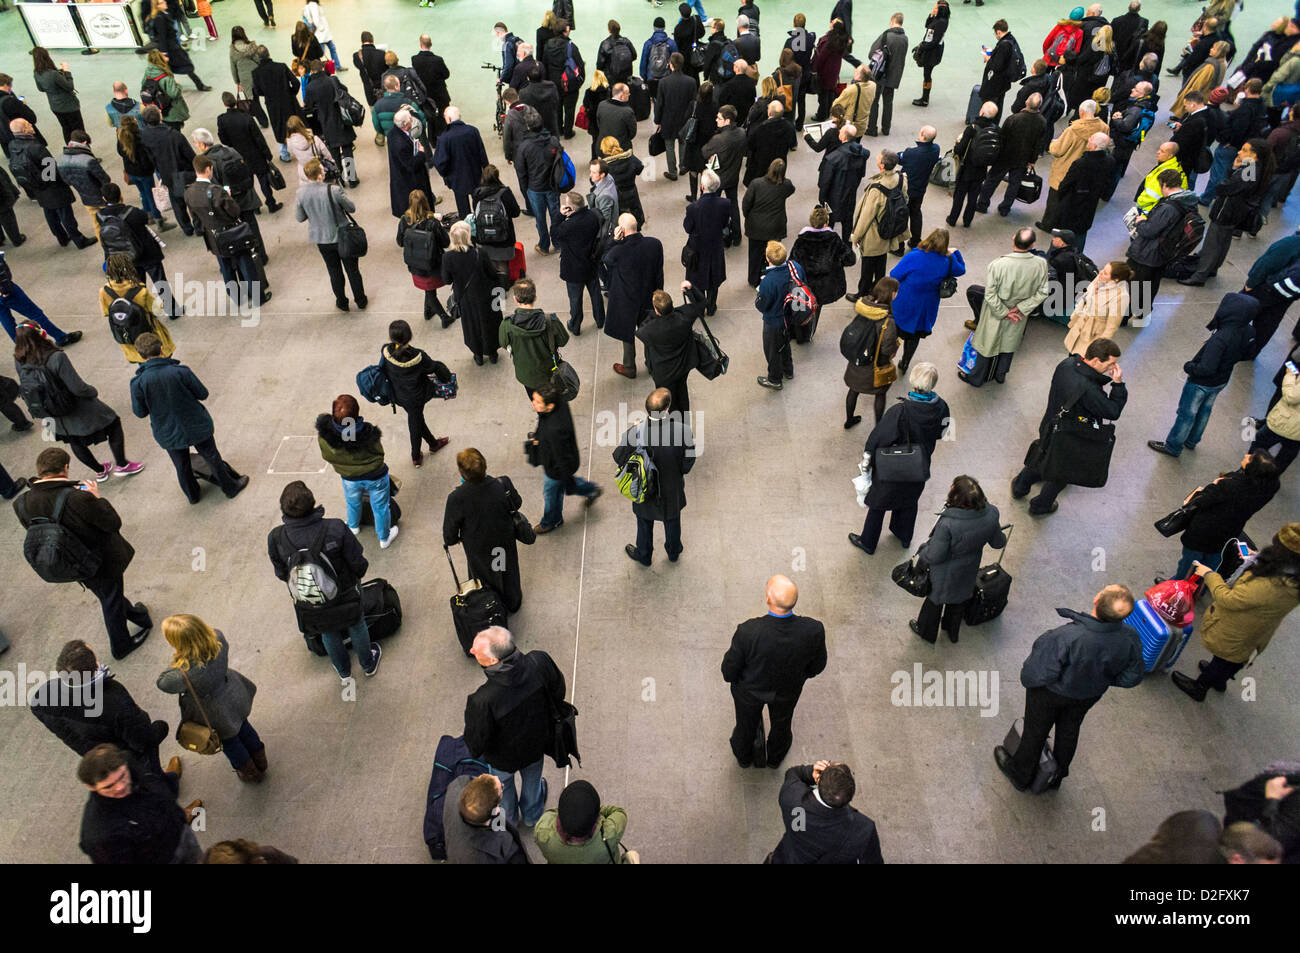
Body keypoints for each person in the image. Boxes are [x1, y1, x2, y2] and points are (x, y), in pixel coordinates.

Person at [995, 585, 1143, 791]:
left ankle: (1020, 774)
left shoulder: (1067, 636)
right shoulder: (1130, 637)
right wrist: (1101, 679)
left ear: (1096, 600)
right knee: (1069, 731)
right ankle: (1055, 778)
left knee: (1035, 731)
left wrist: (1031, 682)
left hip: (1051, 694)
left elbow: (1039, 671)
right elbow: (1132, 676)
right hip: (1088, 695)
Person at [13, 448, 151, 660]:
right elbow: (112, 523)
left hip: (68, 562)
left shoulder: (21, 503)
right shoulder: (78, 498)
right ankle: (121, 645)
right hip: (99, 560)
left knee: (108, 594)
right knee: (110, 599)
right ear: (65, 468)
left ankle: (139, 616)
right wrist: (96, 498)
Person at [267, 480, 381, 682]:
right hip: (346, 595)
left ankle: (344, 672)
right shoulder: (335, 528)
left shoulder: (276, 537)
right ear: (312, 504)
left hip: (310, 601)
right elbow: (359, 565)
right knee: (356, 624)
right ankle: (368, 664)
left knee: (328, 631)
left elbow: (281, 573)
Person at [1170, 526, 1300, 701]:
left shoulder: (1272, 585)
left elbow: (1229, 599)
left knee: (1226, 657)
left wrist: (1209, 575)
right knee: (1234, 658)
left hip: (1241, 627)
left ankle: (1200, 686)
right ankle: (1219, 680)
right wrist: (1256, 558)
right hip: (1257, 629)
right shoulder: (1292, 578)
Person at [720, 573, 826, 769]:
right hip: (787, 691)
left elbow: (730, 669)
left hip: (750, 691)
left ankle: (744, 756)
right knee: (782, 722)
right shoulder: (814, 630)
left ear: (768, 598)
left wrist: (734, 680)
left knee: (745, 723)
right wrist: (801, 676)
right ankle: (775, 756)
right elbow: (818, 665)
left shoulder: (748, 632)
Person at [464, 625, 567, 828]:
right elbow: (559, 692)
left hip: (502, 760)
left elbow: (475, 744)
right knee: (532, 780)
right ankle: (532, 816)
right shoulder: (540, 661)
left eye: (476, 649)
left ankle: (508, 820)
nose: (471, 651)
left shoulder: (482, 700)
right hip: (536, 745)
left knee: (502, 788)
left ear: (494, 661)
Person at [1013, 338, 1126, 516]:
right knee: (1062, 472)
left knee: (1042, 452)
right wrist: (1118, 384)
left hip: (1050, 423)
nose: (1113, 368)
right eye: (1111, 363)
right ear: (1096, 361)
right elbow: (1113, 411)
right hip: (1070, 436)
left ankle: (1020, 486)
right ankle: (1041, 505)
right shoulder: (1089, 389)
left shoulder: (1067, 364)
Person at [129, 333, 248, 503]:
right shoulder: (180, 372)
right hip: (196, 424)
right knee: (211, 456)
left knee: (181, 464)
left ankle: (192, 495)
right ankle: (230, 487)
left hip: (167, 431)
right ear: (162, 349)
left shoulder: (138, 383)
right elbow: (202, 393)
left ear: (140, 355)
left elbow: (140, 412)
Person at [14, 327, 144, 482]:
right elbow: (78, 388)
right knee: (113, 423)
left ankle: (100, 471)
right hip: (75, 407)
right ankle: (122, 465)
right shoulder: (56, 357)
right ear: (40, 335)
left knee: (74, 441)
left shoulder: (19, 360)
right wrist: (92, 392)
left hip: (52, 413)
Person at [848, 362, 949, 554]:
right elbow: (942, 432)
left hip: (893, 466)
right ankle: (903, 535)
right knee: (909, 500)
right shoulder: (942, 406)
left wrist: (866, 463)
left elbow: (877, 439)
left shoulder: (900, 411)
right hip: (920, 464)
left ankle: (868, 542)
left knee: (878, 502)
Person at [31, 640, 168, 775]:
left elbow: (67, 734)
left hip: (102, 758)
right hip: (132, 756)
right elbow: (142, 741)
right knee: (152, 776)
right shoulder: (116, 699)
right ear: (94, 666)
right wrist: (155, 729)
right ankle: (167, 783)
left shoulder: (43, 695)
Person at [156, 615, 263, 784]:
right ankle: (260, 759)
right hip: (234, 693)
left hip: (214, 712)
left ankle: (250, 772)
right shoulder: (217, 638)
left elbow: (162, 683)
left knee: (230, 742)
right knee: (243, 726)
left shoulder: (180, 674)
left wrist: (178, 661)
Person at [1148, 294, 1256, 458]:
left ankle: (1173, 446)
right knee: (1204, 410)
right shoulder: (1249, 331)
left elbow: (1206, 368)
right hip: (1221, 380)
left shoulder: (1220, 338)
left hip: (1201, 383)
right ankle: (1192, 441)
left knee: (1187, 414)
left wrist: (1189, 367)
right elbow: (1246, 354)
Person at [910, 475, 1007, 644]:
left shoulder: (948, 524)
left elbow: (935, 555)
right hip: (969, 567)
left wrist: (923, 551)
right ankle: (951, 631)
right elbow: (998, 543)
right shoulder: (992, 514)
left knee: (935, 601)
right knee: (959, 599)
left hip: (944, 572)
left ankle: (926, 632)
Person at [77, 743, 201, 864]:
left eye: (122, 776)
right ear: (91, 786)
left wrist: (177, 816)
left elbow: (152, 781)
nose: (120, 787)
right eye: (109, 786)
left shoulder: (127, 761)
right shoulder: (100, 836)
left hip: (180, 832)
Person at [1165, 452, 1281, 581]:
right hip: (1229, 531)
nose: (1246, 455)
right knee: (1213, 561)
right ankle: (1202, 586)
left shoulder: (1229, 485)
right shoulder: (1270, 488)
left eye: (1250, 458)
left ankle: (1177, 588)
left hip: (1202, 530)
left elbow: (1202, 501)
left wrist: (1214, 484)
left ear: (1253, 468)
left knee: (1188, 563)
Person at [614, 387, 695, 565]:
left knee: (644, 523)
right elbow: (688, 464)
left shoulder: (636, 432)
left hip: (644, 488)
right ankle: (673, 552)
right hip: (671, 490)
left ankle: (644, 555)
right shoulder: (683, 431)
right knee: (672, 522)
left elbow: (618, 457)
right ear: (667, 409)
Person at [964, 228, 1050, 387]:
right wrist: (1020, 308)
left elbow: (990, 295)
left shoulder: (998, 264)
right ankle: (1000, 375)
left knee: (987, 344)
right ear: (1033, 244)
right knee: (1009, 344)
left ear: (1013, 239)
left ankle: (976, 378)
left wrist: (1004, 312)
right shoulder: (1041, 264)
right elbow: (1043, 292)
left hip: (996, 312)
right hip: (1019, 314)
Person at [1182, 140, 1274, 287]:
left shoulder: (1250, 171)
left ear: (1254, 155)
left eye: (1244, 150)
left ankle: (1200, 275)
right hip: (1234, 212)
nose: (1239, 152)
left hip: (1226, 211)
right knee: (1222, 242)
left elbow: (1226, 187)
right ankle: (1212, 269)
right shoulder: (1255, 168)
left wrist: (1232, 170)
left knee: (1212, 243)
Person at [443, 448, 524, 614]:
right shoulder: (502, 484)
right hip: (503, 540)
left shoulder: (456, 498)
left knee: (485, 576)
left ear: (462, 472)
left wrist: (456, 538)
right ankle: (512, 601)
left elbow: (449, 535)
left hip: (479, 548)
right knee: (505, 570)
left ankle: (491, 604)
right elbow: (517, 503)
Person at [185, 155, 267, 310]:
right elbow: (235, 212)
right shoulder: (216, 191)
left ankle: (237, 298)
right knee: (245, 264)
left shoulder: (189, 192)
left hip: (213, 236)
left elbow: (195, 216)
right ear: (208, 169)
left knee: (226, 268)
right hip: (231, 233)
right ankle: (258, 298)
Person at [316, 394, 397, 549]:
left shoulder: (325, 435)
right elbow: (379, 454)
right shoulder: (369, 434)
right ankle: (384, 537)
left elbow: (326, 454)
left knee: (352, 502)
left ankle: (353, 526)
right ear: (356, 413)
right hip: (375, 477)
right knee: (380, 507)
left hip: (348, 478)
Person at [769, 761, 884, 864]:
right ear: (850, 795)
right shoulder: (863, 829)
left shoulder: (792, 800)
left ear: (818, 780)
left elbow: (792, 773)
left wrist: (811, 771)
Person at [6, 119, 96, 250]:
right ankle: (79, 240)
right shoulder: (36, 147)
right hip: (52, 188)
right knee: (66, 215)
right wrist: (65, 180)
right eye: (28, 124)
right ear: (24, 129)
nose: (31, 125)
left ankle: (62, 238)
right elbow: (51, 170)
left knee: (50, 213)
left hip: (35, 186)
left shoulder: (12, 145)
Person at [1125, 168, 1200, 320]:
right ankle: (1143, 310)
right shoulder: (1188, 201)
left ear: (1165, 185)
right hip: (1165, 251)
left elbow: (1149, 231)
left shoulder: (1168, 207)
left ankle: (1127, 315)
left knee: (1137, 283)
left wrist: (1140, 222)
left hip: (1148, 252)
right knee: (1151, 282)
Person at [293, 158, 364, 311]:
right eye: (322, 169)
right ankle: (360, 300)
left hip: (322, 240)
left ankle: (342, 302)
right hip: (342, 236)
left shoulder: (301, 193)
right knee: (352, 270)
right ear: (319, 175)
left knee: (334, 271)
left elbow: (300, 218)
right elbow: (351, 208)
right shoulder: (333, 190)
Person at [890, 228, 964, 373]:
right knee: (914, 336)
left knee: (894, 331)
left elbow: (894, 274)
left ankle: (887, 357)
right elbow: (961, 270)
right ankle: (905, 362)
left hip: (905, 302)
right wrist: (955, 253)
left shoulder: (914, 256)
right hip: (925, 307)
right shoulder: (947, 261)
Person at [380, 319, 451, 468]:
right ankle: (416, 455)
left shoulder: (386, 351)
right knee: (415, 421)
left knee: (417, 419)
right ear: (409, 336)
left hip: (398, 394)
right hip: (416, 397)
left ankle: (433, 443)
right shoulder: (418, 356)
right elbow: (432, 367)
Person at [602, 214, 664, 379]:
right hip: (648, 297)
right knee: (649, 333)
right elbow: (659, 272)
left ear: (621, 229)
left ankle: (629, 367)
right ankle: (652, 365)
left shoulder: (619, 251)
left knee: (627, 334)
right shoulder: (654, 244)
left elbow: (606, 259)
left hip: (626, 300)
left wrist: (614, 240)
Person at [1038, 100, 1109, 231]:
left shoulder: (1072, 130)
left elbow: (1057, 150)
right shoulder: (1104, 127)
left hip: (1065, 169)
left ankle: (1048, 224)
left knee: (1055, 198)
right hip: (1088, 170)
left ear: (1081, 112)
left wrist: (1053, 142)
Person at [638, 284, 705, 415]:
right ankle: (685, 425)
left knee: (666, 401)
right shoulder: (684, 316)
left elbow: (640, 330)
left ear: (656, 310)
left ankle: (672, 427)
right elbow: (702, 302)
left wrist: (653, 315)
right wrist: (691, 288)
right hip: (683, 366)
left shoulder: (650, 330)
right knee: (682, 392)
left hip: (663, 373)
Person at [441, 221, 503, 362]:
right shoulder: (479, 253)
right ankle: (492, 353)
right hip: (485, 296)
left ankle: (478, 355)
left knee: (471, 326)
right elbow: (492, 274)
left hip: (465, 298)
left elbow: (446, 280)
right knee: (489, 323)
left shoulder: (447, 257)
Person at [499, 278, 570, 399]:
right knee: (553, 401)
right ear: (535, 297)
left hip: (526, 374)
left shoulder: (507, 325)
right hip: (549, 372)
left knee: (537, 401)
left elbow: (504, 344)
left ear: (515, 299)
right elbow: (563, 340)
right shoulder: (550, 321)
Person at [1201, 79, 1268, 205]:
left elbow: (1239, 128)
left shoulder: (1246, 108)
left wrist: (1230, 142)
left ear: (1247, 88)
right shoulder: (1261, 106)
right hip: (1247, 144)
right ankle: (1220, 197)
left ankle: (1207, 198)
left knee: (1218, 173)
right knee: (1234, 173)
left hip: (1232, 145)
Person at [843, 278, 899, 427]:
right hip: (874, 366)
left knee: (853, 390)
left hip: (856, 362)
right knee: (880, 394)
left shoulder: (864, 308)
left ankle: (849, 420)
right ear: (892, 294)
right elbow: (887, 349)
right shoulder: (888, 321)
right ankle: (878, 426)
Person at [850, 151, 906, 299]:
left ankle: (862, 294)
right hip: (890, 228)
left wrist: (856, 236)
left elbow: (866, 216)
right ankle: (879, 292)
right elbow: (904, 198)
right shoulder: (901, 178)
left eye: (879, 157)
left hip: (874, 233)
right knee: (881, 263)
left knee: (867, 266)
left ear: (882, 165)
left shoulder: (877, 188)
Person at [534, 781, 633, 864]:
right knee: (632, 856)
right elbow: (618, 812)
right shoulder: (610, 833)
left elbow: (551, 813)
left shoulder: (542, 832)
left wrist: (568, 811)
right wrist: (593, 812)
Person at [442, 773, 531, 864]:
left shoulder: (456, 786)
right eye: (501, 788)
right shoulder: (505, 851)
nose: (497, 777)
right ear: (496, 811)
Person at [217, 93, 281, 215]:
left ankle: (255, 207)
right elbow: (259, 139)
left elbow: (223, 140)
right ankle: (271, 204)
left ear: (224, 104)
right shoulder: (247, 118)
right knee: (263, 181)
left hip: (238, 157)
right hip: (255, 155)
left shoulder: (221, 120)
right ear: (236, 101)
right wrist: (267, 155)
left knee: (248, 184)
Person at [789, 205, 854, 324]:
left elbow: (792, 263)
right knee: (816, 310)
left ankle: (799, 331)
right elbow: (850, 259)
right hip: (826, 286)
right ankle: (809, 330)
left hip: (805, 285)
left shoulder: (801, 240)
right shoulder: (834, 240)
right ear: (826, 222)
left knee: (800, 310)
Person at [552, 192, 605, 335]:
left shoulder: (568, 226)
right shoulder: (592, 216)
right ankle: (600, 320)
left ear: (571, 209)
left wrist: (560, 215)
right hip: (591, 264)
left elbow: (555, 235)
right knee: (595, 294)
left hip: (573, 269)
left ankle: (575, 325)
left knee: (575, 300)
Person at [396, 190, 450, 326]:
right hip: (433, 264)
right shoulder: (432, 222)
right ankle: (444, 317)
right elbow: (446, 242)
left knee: (428, 288)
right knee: (431, 291)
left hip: (415, 264)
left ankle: (427, 311)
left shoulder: (404, 220)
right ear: (426, 202)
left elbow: (400, 241)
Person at [303, 59, 359, 188]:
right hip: (341, 120)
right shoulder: (332, 80)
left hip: (326, 123)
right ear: (323, 68)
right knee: (347, 151)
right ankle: (352, 179)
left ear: (311, 71)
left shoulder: (310, 87)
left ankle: (339, 179)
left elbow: (309, 106)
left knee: (333, 154)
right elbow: (345, 91)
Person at [754, 240, 802, 389]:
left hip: (774, 320)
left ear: (768, 259)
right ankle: (788, 370)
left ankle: (774, 379)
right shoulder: (796, 268)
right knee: (785, 343)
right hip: (789, 316)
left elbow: (762, 305)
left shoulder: (768, 281)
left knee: (772, 350)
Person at [947, 102, 999, 229]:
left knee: (959, 195)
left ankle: (953, 219)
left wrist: (957, 144)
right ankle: (967, 221)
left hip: (967, 168)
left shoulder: (972, 128)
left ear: (981, 112)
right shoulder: (995, 129)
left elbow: (959, 150)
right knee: (973, 197)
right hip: (981, 169)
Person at [517, 114, 563, 256]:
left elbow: (521, 170)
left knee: (540, 217)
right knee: (556, 215)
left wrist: (526, 189)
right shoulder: (553, 141)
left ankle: (543, 245)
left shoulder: (524, 146)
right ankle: (558, 243)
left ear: (528, 127)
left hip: (535, 188)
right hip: (552, 185)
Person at [469, 164, 523, 283]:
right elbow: (515, 212)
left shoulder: (477, 193)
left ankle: (495, 285)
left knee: (491, 260)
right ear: (497, 176)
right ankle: (503, 287)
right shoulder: (504, 192)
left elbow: (476, 213)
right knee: (503, 263)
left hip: (484, 236)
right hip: (504, 236)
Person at [1063, 261, 1130, 355]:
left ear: (1116, 279)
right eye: (1103, 269)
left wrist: (1100, 348)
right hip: (1081, 325)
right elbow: (1086, 296)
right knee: (1071, 354)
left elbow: (1111, 326)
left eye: (1105, 273)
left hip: (1093, 335)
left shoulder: (1122, 296)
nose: (1100, 272)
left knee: (1081, 359)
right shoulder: (1100, 279)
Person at [818, 123, 871, 242]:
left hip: (833, 196)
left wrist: (822, 199)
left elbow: (825, 182)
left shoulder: (833, 158)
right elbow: (862, 173)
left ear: (844, 137)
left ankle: (829, 244)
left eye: (840, 132)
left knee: (829, 222)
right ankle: (847, 248)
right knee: (847, 222)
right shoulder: (861, 153)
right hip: (850, 194)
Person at [1106, 80, 1157, 199]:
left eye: (1136, 90)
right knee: (1118, 167)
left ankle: (1105, 193)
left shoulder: (1135, 110)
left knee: (1114, 168)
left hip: (1122, 143)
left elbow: (1125, 126)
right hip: (1131, 142)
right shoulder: (1148, 105)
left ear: (1142, 95)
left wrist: (1117, 119)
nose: (1132, 90)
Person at [701, 105, 746, 241]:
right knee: (733, 204)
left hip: (718, 178)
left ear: (727, 121)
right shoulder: (741, 133)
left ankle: (715, 233)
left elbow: (704, 151)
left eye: (719, 118)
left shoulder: (718, 139)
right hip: (733, 176)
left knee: (713, 206)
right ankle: (737, 235)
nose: (716, 120)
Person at [434, 107, 489, 217]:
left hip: (457, 179)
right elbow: (481, 152)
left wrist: (446, 175)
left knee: (463, 208)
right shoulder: (473, 130)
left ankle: (467, 228)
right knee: (479, 202)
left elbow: (440, 163)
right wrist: (486, 170)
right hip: (475, 174)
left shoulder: (444, 138)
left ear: (449, 119)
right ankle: (481, 221)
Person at [144, 2, 210, 92]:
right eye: (162, 3)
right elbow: (162, 37)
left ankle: (198, 85)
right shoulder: (159, 18)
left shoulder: (164, 14)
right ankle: (198, 85)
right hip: (170, 49)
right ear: (157, 6)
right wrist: (164, 53)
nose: (165, 3)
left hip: (173, 47)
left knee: (178, 67)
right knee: (183, 66)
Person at [252, 47, 303, 163]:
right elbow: (295, 82)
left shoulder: (256, 73)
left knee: (279, 126)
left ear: (258, 57)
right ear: (269, 54)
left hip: (272, 104)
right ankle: (301, 149)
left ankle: (284, 154)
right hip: (288, 101)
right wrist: (291, 93)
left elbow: (258, 91)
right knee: (294, 123)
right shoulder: (281, 66)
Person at [1250, 363, 1300, 474]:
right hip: (1297, 433)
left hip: (1286, 422)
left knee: (1259, 443)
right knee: (1285, 457)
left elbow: (1291, 397)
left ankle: (1248, 473)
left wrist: (1290, 376)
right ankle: (1269, 484)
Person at [864, 12, 907, 136]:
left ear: (893, 21)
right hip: (894, 75)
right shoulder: (905, 38)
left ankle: (872, 128)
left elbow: (872, 53)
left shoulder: (886, 35)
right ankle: (886, 128)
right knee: (888, 102)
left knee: (874, 101)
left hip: (880, 74)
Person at [898, 126, 939, 248]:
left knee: (901, 215)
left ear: (922, 135)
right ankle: (915, 240)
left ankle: (899, 246)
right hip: (920, 188)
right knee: (916, 213)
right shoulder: (936, 149)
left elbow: (899, 158)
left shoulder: (911, 153)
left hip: (907, 189)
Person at [32, 48, 84, 144]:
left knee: (66, 128)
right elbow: (69, 86)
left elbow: (41, 89)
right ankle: (86, 154)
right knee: (79, 130)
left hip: (55, 106)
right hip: (69, 106)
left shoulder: (36, 73)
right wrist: (67, 71)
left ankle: (71, 150)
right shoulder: (53, 74)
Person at [600, 135, 646, 226]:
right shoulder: (629, 158)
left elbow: (594, 181)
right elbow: (640, 168)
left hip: (616, 200)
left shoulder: (604, 166)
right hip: (632, 195)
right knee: (635, 222)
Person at [1171, 91, 1213, 191]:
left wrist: (1179, 131)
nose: (1185, 108)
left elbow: (1185, 142)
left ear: (1193, 104)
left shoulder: (1197, 121)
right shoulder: (1208, 113)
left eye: (1186, 105)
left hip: (1186, 159)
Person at [979, 20, 1022, 119]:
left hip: (996, 83)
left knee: (991, 103)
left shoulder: (1003, 45)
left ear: (998, 32)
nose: (996, 36)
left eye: (995, 33)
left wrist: (988, 58)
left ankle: (989, 122)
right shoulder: (1011, 40)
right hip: (1004, 82)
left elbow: (997, 66)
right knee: (999, 102)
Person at [229, 27, 270, 129]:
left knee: (253, 101)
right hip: (256, 76)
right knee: (262, 97)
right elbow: (258, 59)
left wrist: (237, 82)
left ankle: (263, 121)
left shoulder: (232, 51)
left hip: (245, 80)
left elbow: (233, 68)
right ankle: (266, 117)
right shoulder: (251, 47)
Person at [810, 20, 849, 121]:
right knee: (831, 91)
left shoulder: (828, 41)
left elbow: (821, 58)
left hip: (825, 71)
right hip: (834, 70)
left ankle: (821, 115)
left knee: (823, 94)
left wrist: (815, 69)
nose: (831, 22)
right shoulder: (841, 40)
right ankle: (828, 112)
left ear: (833, 27)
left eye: (833, 22)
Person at [912, 2, 949, 107]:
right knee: (926, 74)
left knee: (927, 74)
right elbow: (927, 25)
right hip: (930, 48)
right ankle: (924, 98)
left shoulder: (941, 22)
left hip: (932, 52)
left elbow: (934, 41)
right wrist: (931, 14)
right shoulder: (939, 18)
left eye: (936, 7)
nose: (934, 8)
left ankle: (925, 99)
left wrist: (921, 47)